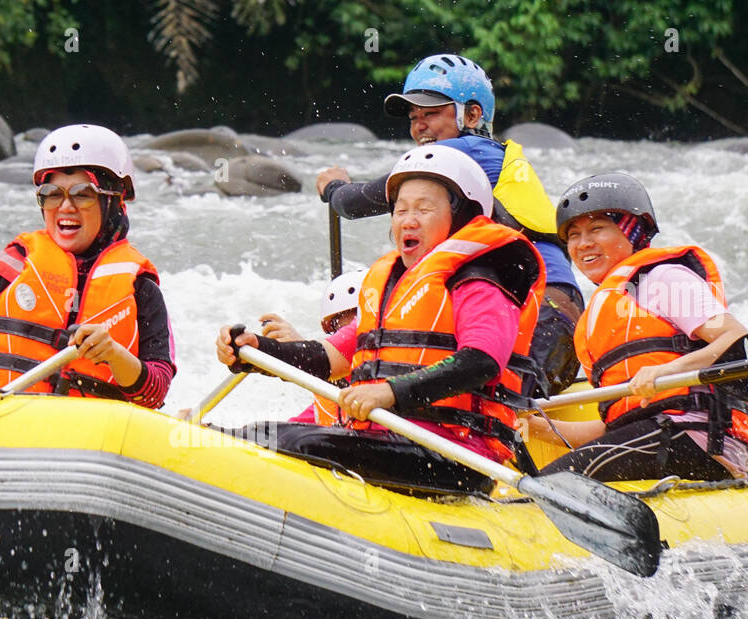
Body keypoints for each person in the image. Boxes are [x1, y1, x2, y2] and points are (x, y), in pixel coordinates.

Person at [217, 147, 545, 495]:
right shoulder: (391, 285)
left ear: (461, 215)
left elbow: (482, 361)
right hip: (386, 439)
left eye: (424, 208)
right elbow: (328, 358)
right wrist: (257, 351)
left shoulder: (483, 275)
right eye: (401, 209)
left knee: (294, 439)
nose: (408, 219)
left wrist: (391, 392)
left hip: (456, 454)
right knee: (263, 432)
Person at [316, 53, 582, 395]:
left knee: (495, 403)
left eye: (431, 113)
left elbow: (354, 203)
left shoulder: (469, 151)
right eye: (414, 117)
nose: (419, 126)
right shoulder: (471, 163)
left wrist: (334, 187)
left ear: (473, 115)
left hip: (545, 309)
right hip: (541, 308)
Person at [0, 124, 176, 405]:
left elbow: (155, 392)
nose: (65, 206)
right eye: (53, 193)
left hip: (89, 437)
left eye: (82, 193)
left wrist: (114, 354)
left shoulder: (141, 289)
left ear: (113, 200)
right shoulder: (13, 265)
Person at [522, 172, 748, 480]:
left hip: (694, 435)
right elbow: (611, 426)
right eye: (573, 235)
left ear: (633, 233)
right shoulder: (598, 319)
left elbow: (737, 339)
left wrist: (667, 371)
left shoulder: (665, 279)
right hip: (657, 435)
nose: (584, 244)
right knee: (555, 476)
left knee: (557, 481)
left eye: (597, 229)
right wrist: (536, 427)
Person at [257, 268, 368, 425]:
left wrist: (298, 345)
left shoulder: (387, 379)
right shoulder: (326, 396)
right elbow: (290, 430)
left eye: (355, 321)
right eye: (339, 329)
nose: (348, 335)